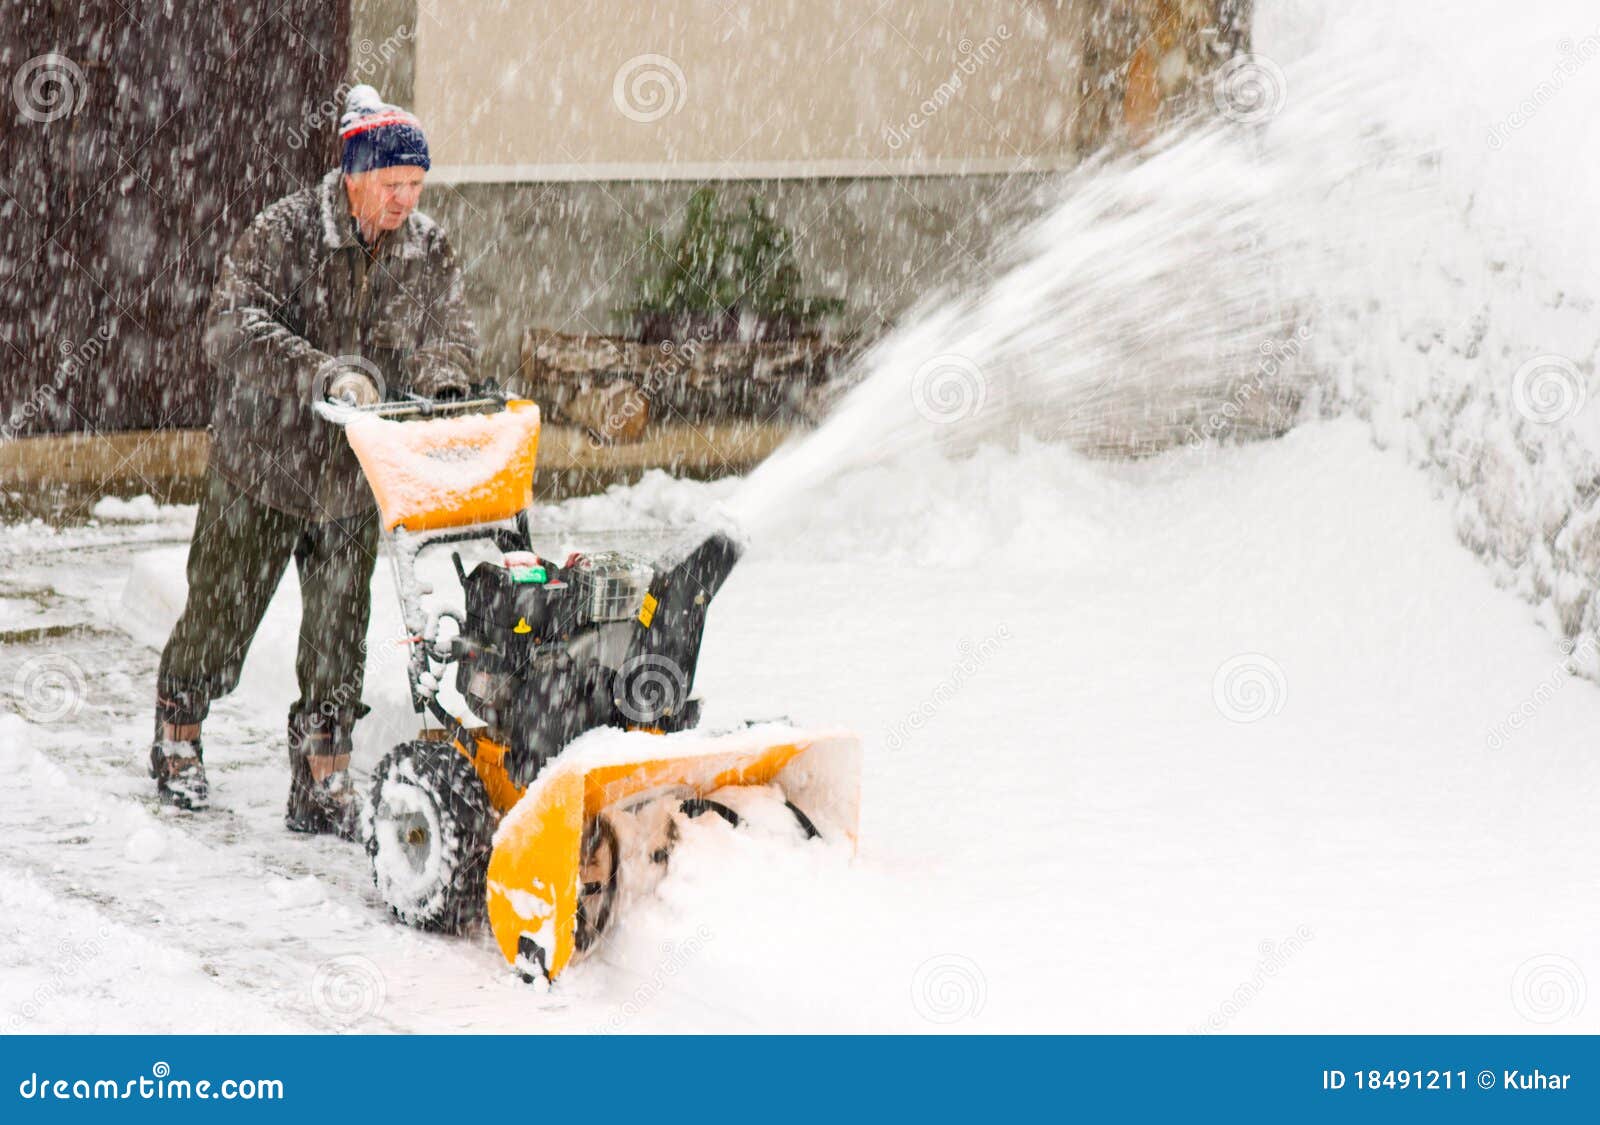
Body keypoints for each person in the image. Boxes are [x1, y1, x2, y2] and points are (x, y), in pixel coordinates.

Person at [149, 85, 481, 837]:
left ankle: (322, 776)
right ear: (355, 175)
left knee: (338, 635)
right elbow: (229, 328)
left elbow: (447, 330)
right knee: (219, 619)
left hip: (352, 477)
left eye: (416, 185)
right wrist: (321, 374)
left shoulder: (425, 246)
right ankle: (177, 735)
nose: (405, 199)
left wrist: (444, 377)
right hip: (260, 466)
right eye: (393, 184)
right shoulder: (287, 231)